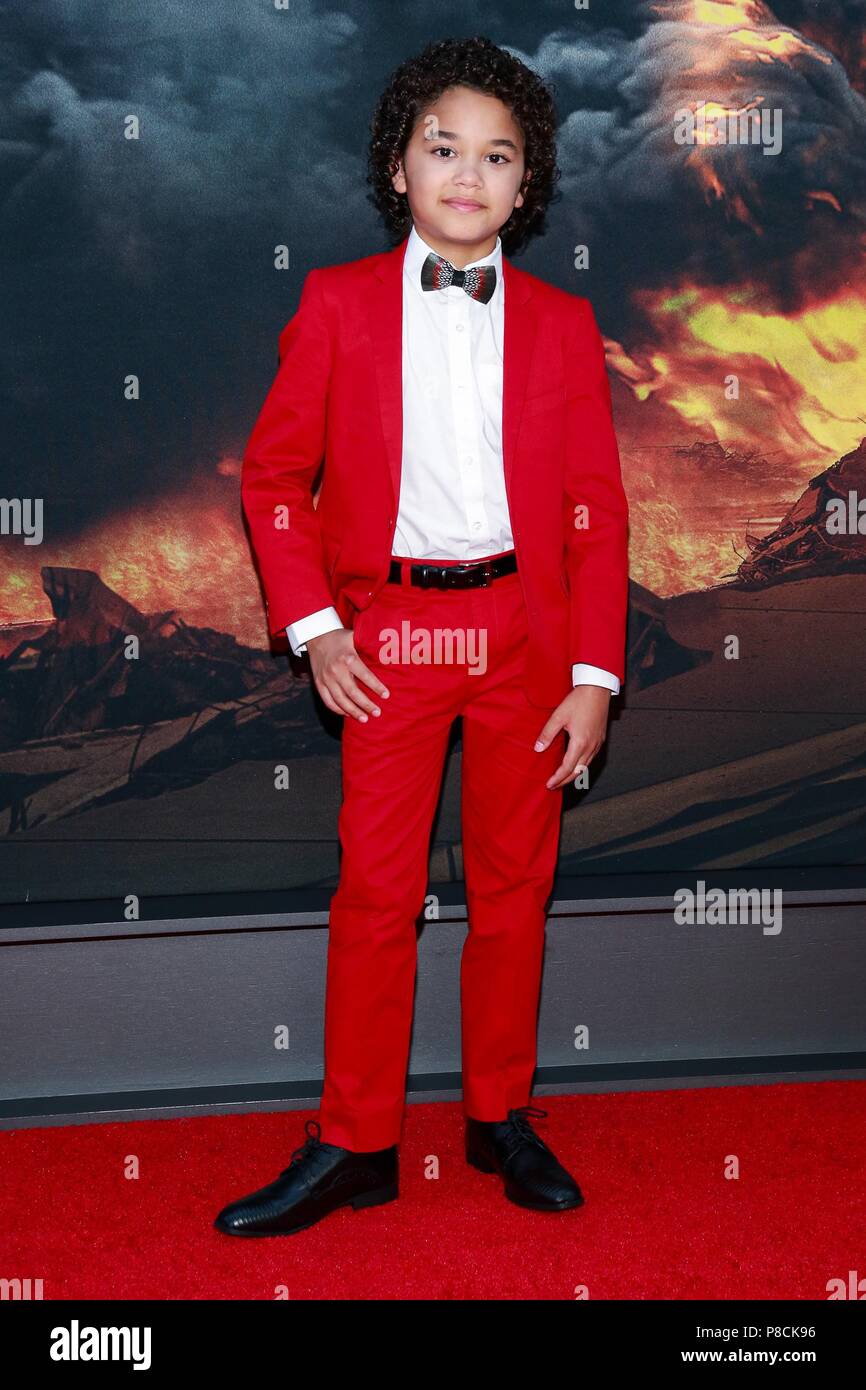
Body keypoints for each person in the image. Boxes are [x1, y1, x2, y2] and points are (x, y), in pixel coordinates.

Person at [215, 34, 629, 1238]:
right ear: (398, 166)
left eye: (496, 156)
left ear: (524, 184)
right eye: (441, 147)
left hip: (525, 638)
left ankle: (499, 1117)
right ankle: (355, 1141)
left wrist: (594, 674)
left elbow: (597, 513)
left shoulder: (562, 320)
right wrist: (314, 628)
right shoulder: (337, 302)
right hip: (388, 635)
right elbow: (275, 479)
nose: (466, 173)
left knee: (515, 888)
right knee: (375, 894)